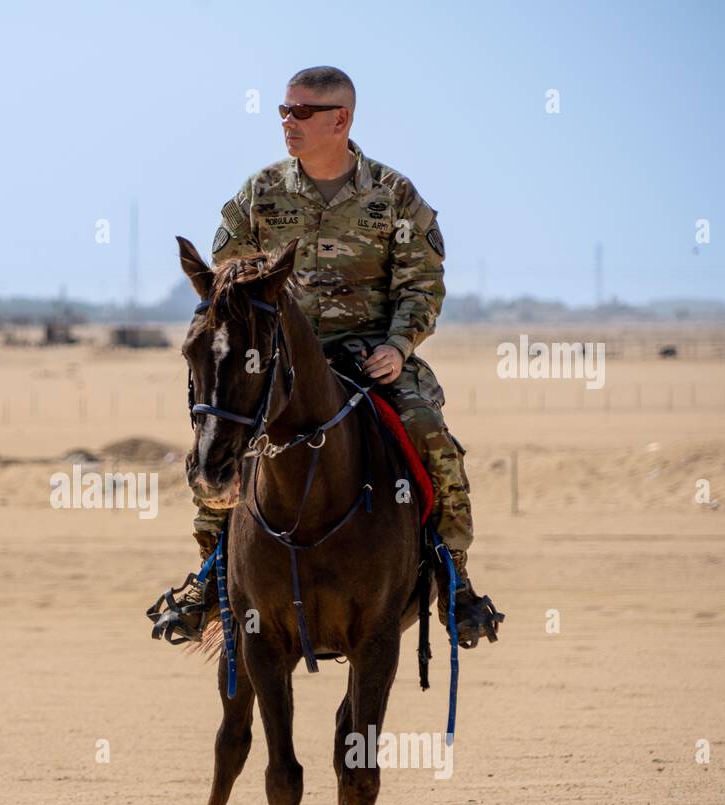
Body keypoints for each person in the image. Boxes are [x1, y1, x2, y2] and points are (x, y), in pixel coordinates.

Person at [170, 65, 502, 648]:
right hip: (279, 360)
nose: (287, 122)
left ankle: (454, 576)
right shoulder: (259, 194)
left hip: (369, 357)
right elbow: (225, 281)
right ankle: (212, 573)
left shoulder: (394, 195)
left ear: (340, 119)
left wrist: (399, 348)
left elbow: (423, 285)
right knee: (219, 433)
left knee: (430, 432)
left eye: (301, 112)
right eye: (284, 111)